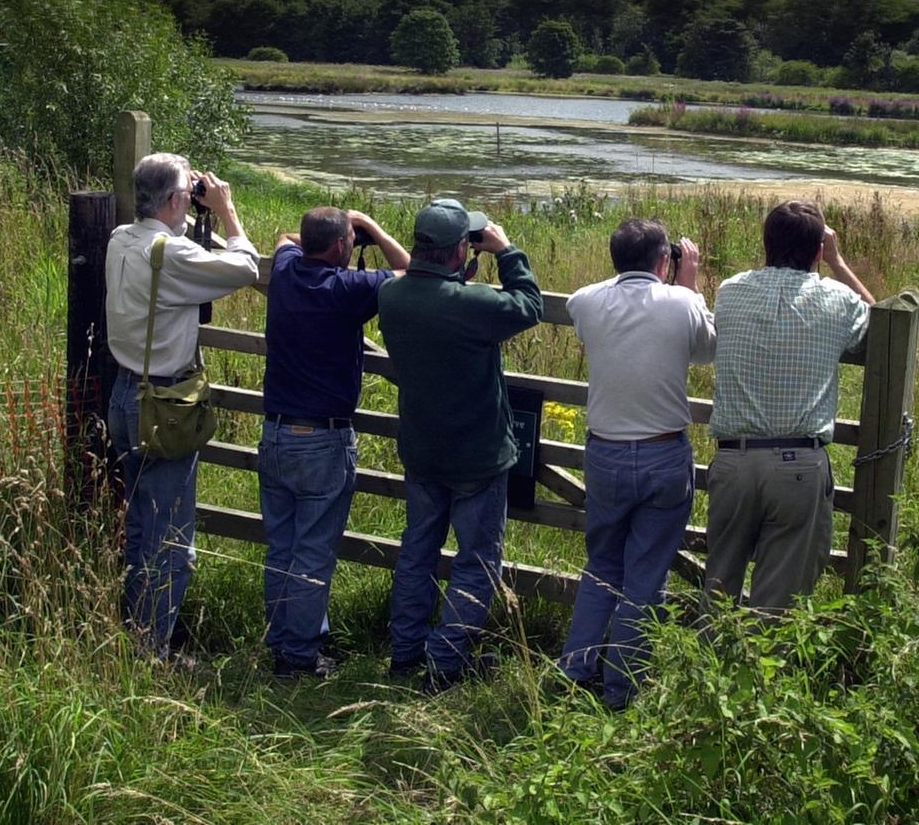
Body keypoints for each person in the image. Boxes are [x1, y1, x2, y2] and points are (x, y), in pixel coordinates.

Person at [377, 198, 543, 690]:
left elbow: (423, 285)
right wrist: (507, 251)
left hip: (423, 450)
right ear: (458, 254)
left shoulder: (392, 296)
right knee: (477, 557)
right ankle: (445, 659)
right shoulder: (470, 305)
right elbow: (529, 305)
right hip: (477, 455)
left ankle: (405, 651)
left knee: (417, 551)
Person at [105, 153, 260, 664]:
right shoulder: (167, 254)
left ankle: (135, 634)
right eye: (185, 196)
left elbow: (175, 240)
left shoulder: (121, 240)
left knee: (140, 527)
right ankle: (153, 652)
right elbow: (245, 266)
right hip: (164, 406)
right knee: (171, 539)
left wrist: (193, 205)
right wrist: (227, 209)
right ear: (175, 201)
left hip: (126, 395)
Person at [559, 218, 716, 709]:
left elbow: (583, 309)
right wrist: (688, 286)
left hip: (604, 451)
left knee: (602, 565)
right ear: (663, 261)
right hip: (663, 453)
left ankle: (575, 671)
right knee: (645, 575)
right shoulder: (683, 302)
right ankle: (620, 689)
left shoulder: (585, 299)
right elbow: (706, 352)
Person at [704, 201, 875, 614]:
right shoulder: (836, 299)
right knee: (779, 601)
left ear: (765, 244)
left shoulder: (730, 290)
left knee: (718, 586)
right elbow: (884, 320)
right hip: (798, 462)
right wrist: (837, 261)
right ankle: (762, 676)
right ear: (817, 250)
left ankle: (705, 669)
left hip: (734, 460)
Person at [259, 207, 408, 678]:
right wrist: (373, 228)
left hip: (277, 432)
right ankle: (299, 657)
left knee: (282, 546)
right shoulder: (349, 289)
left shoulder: (285, 272)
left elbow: (285, 238)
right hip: (323, 437)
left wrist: (340, 228)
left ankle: (282, 642)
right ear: (343, 247)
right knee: (312, 553)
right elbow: (411, 271)